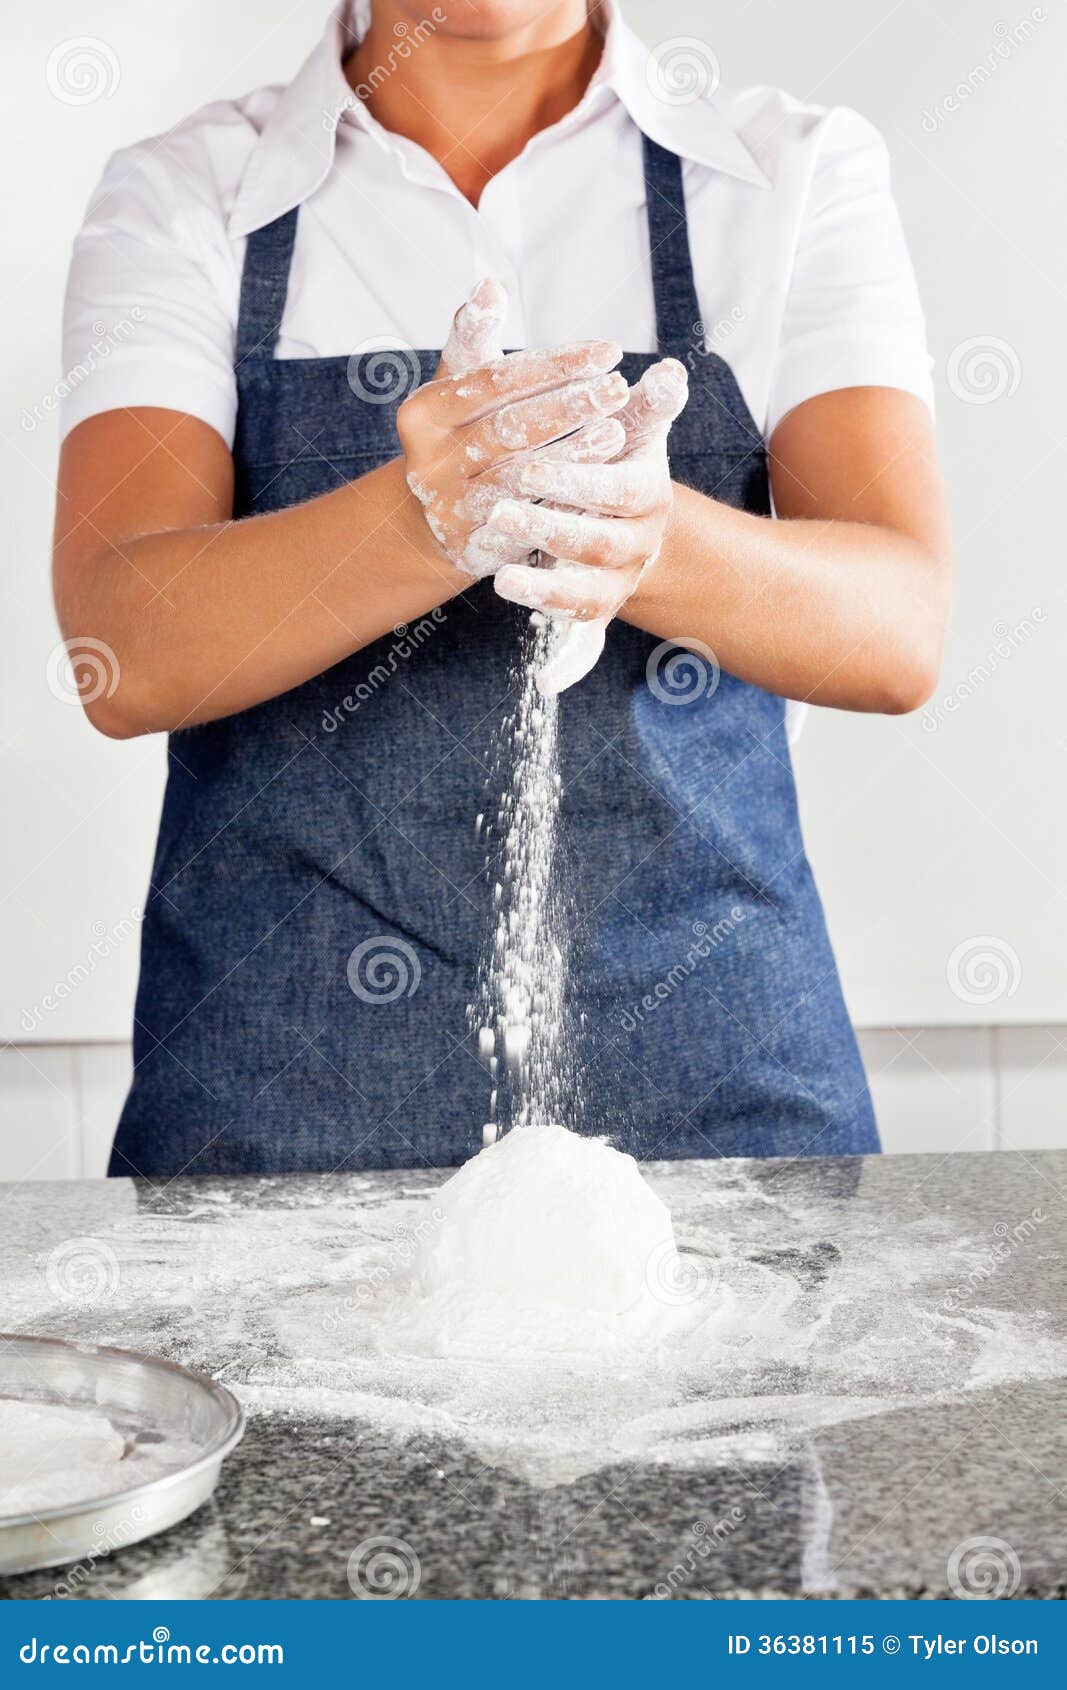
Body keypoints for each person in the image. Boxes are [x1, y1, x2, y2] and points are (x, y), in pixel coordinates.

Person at [54, 0, 951, 1175]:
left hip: (718, 1104)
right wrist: (419, 519)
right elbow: (123, 644)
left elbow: (896, 631)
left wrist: (648, 536)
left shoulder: (786, 175)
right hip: (279, 1112)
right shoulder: (185, 199)